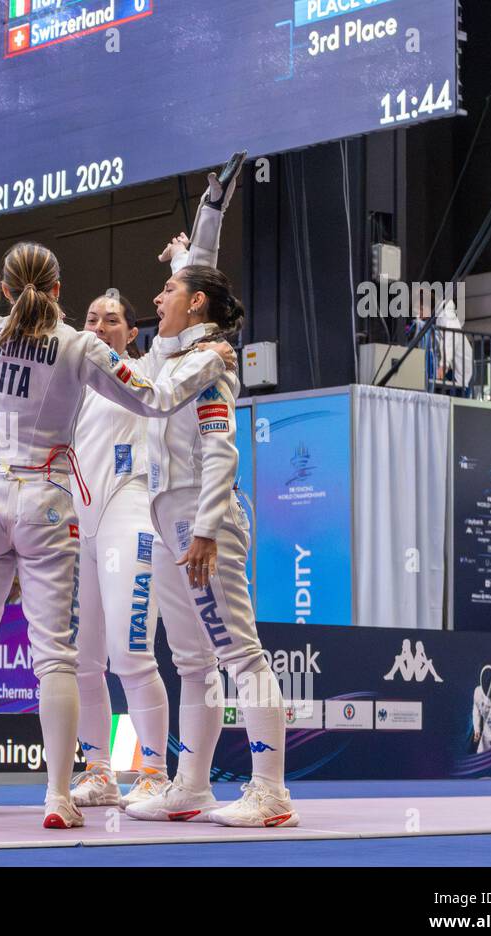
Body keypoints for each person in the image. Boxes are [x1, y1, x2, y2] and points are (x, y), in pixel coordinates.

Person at [0, 200, 235, 827]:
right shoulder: (78, 346)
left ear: (7, 291)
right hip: (48, 503)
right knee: (57, 657)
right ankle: (60, 798)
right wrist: (209, 358)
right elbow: (156, 397)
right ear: (60, 291)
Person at [69, 156, 242, 809]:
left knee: (131, 651)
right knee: (84, 656)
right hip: (78, 524)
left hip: (138, 520)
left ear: (132, 330)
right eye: (89, 319)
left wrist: (211, 212)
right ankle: (96, 770)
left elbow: (197, 283)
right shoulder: (79, 382)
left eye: (111, 319)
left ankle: (151, 769)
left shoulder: (151, 369)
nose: (98, 326)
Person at [124, 262, 298, 828]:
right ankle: (191, 787)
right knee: (192, 660)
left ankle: (270, 791)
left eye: (170, 289)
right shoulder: (176, 358)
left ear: (197, 303)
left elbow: (221, 450)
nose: (157, 296)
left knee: (239, 653)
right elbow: (142, 381)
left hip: (205, 521)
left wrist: (204, 529)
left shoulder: (209, 362)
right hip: (170, 517)